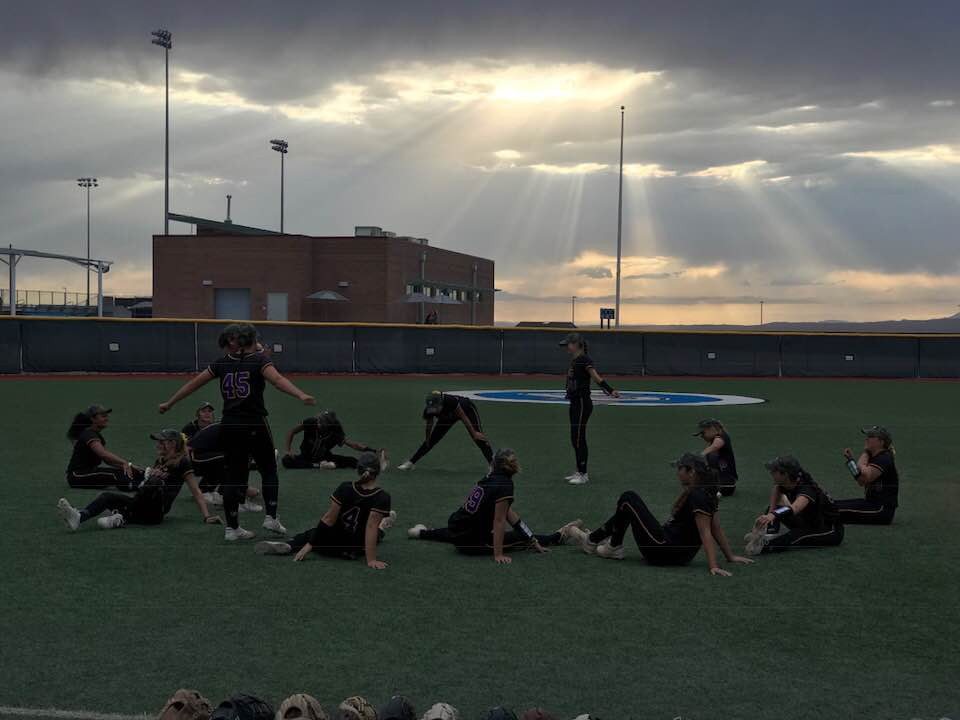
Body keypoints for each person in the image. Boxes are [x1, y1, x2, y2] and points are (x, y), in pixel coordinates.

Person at [158, 322, 315, 541]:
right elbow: (278, 381)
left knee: (234, 476)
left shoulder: (221, 363)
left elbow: (194, 384)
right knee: (268, 469)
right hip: (254, 422)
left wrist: (170, 402)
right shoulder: (259, 360)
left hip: (230, 424)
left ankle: (232, 529)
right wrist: (300, 394)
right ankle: (271, 517)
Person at [565, 453, 753, 576]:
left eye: (680, 469)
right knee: (629, 507)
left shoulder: (698, 496)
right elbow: (716, 527)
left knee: (628, 498)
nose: (677, 473)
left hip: (663, 550)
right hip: (673, 552)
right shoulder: (705, 492)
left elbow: (707, 532)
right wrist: (729, 556)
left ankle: (605, 544)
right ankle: (602, 542)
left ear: (691, 472)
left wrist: (714, 566)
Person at [408, 448, 576, 563]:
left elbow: (509, 514)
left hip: (456, 529)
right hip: (471, 542)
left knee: (455, 531)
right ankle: (557, 537)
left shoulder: (489, 478)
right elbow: (499, 520)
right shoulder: (505, 484)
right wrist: (498, 554)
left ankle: (421, 533)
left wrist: (530, 536)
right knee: (517, 539)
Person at [57, 428, 220, 530]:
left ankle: (122, 516)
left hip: (155, 513)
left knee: (154, 482)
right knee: (107, 497)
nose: (157, 444)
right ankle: (79, 517)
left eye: (161, 441)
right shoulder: (160, 461)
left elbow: (196, 491)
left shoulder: (183, 463)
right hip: (141, 507)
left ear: (172, 443)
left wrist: (207, 516)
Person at [254, 452, 391, 570]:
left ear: (359, 469)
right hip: (355, 548)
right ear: (377, 472)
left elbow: (329, 519)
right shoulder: (382, 496)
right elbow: (371, 527)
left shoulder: (345, 488)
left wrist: (310, 544)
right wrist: (371, 560)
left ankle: (290, 545)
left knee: (311, 533)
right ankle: (383, 527)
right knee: (375, 532)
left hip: (331, 545)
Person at [744, 455, 844, 554]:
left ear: (785, 474)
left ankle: (764, 547)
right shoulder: (786, 482)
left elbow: (795, 508)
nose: (771, 473)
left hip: (828, 530)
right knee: (776, 510)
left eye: (774, 471)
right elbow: (777, 489)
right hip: (808, 521)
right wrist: (769, 515)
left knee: (795, 535)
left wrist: (773, 515)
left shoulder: (807, 489)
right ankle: (769, 534)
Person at [559, 332, 619, 485]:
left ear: (577, 345)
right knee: (574, 437)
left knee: (579, 437)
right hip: (574, 402)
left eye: (568, 344)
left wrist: (610, 390)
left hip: (582, 403)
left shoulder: (585, 360)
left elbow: (596, 377)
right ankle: (579, 470)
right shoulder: (575, 360)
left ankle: (583, 474)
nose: (567, 347)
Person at [397, 391, 492, 471]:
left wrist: (474, 433)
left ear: (441, 403)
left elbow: (463, 416)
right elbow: (429, 424)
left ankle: (493, 464)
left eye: (436, 407)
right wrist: (428, 438)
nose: (434, 410)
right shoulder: (429, 409)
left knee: (478, 437)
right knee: (431, 440)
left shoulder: (451, 401)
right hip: (447, 416)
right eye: (432, 408)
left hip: (466, 410)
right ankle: (411, 463)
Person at [186, 420, 263, 511]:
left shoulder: (238, 428)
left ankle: (208, 491)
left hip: (203, 457)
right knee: (232, 461)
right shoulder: (232, 429)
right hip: (194, 459)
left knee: (230, 460)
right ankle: (237, 501)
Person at [835, 426, 899, 525]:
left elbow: (867, 475)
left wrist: (865, 453)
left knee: (833, 510)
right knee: (832, 504)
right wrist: (851, 461)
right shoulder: (874, 457)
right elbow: (862, 481)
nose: (867, 439)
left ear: (881, 442)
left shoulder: (884, 458)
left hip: (880, 510)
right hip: (870, 504)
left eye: (871, 436)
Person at [282, 410, 385, 471]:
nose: (318, 423)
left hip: (325, 457)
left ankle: (372, 467)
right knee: (286, 460)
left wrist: (374, 451)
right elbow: (292, 431)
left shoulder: (336, 431)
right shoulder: (311, 422)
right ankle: (319, 466)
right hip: (306, 456)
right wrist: (288, 450)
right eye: (318, 420)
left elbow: (353, 445)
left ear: (328, 425)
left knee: (352, 461)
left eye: (321, 423)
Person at [65, 405, 139, 490]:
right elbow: (102, 454)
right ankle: (139, 486)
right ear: (93, 419)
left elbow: (108, 461)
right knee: (116, 474)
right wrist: (124, 462)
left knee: (124, 473)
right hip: (77, 475)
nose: (107, 419)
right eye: (103, 416)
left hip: (85, 474)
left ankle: (141, 483)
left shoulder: (95, 435)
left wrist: (130, 467)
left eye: (106, 416)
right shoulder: (89, 434)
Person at [694, 418, 738, 496]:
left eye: (703, 433)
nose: (702, 436)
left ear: (711, 429)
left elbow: (715, 446)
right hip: (725, 483)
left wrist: (699, 456)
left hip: (726, 485)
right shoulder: (715, 438)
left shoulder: (721, 436)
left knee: (711, 455)